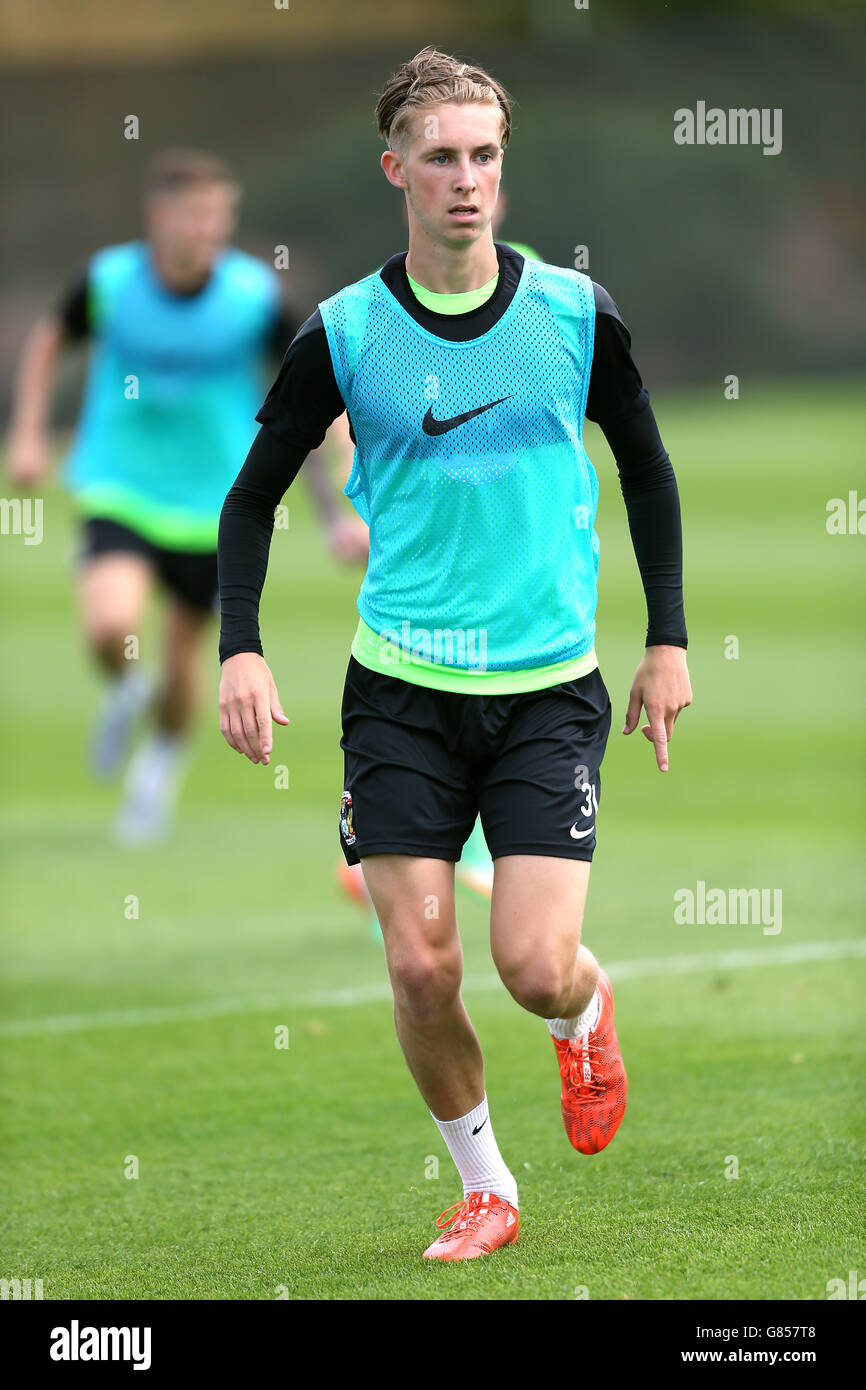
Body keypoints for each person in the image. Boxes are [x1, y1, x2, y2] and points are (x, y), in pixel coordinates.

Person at [217, 47, 692, 1262]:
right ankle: (486, 1184)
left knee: (529, 964)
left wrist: (667, 641)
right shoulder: (346, 332)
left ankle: (583, 1011)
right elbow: (251, 496)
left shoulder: (574, 315)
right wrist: (242, 649)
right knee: (421, 965)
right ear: (396, 171)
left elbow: (644, 465)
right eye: (441, 157)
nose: (467, 179)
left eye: (485, 155)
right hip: (400, 697)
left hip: (543, 694)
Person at [6, 147, 360, 842]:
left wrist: (336, 511)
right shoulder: (110, 281)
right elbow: (50, 338)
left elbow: (311, 398)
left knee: (182, 661)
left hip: (216, 507)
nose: (210, 230)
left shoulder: (253, 296)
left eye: (220, 217)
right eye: (196, 216)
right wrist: (26, 432)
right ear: (158, 217)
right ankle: (125, 690)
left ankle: (158, 768)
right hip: (122, 486)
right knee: (112, 627)